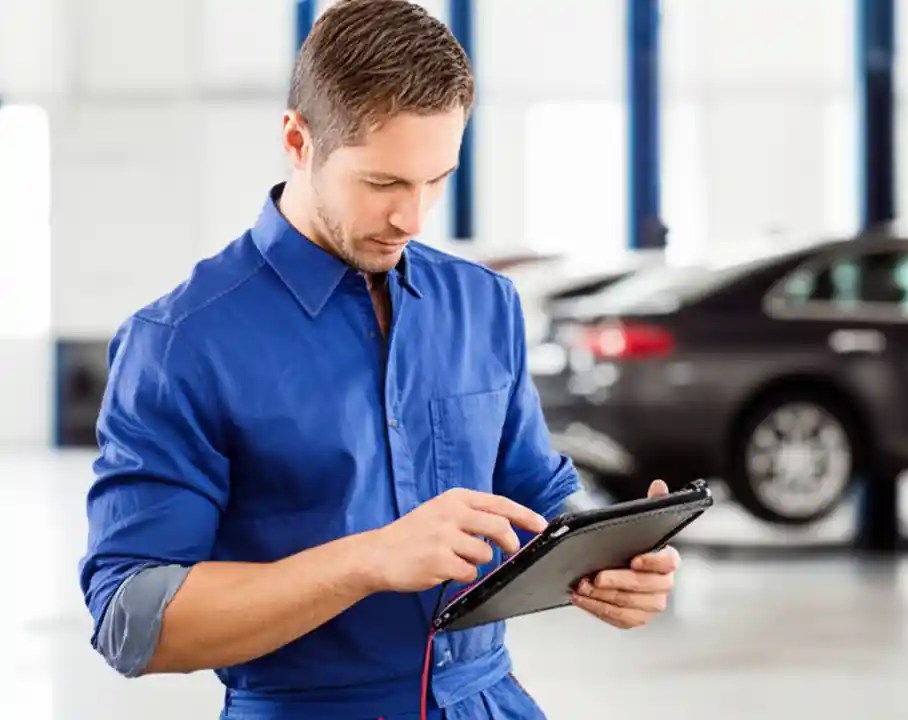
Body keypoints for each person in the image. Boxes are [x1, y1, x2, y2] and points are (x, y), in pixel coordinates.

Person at [77, 2, 681, 718]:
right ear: (298, 141)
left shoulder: (484, 305)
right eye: (383, 183)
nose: (414, 218)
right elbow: (132, 621)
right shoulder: (180, 342)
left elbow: (538, 504)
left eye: (437, 180)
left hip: (490, 701)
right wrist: (365, 561)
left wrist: (613, 562)